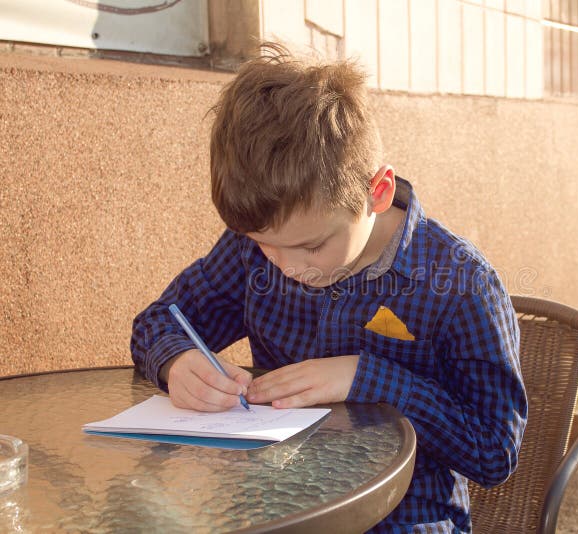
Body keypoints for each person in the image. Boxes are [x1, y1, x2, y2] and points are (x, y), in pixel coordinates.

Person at [131, 42, 527, 532]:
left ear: (376, 193)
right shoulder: (254, 249)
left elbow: (495, 453)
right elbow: (159, 321)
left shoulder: (459, 284)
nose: (285, 266)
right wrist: (176, 361)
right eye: (264, 246)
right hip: (276, 510)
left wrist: (368, 378)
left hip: (405, 519)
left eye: (312, 247)